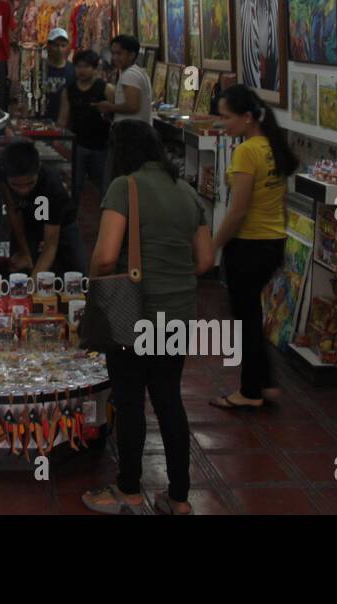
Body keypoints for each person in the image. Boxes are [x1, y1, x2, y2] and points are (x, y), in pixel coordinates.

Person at [82, 120, 214, 516]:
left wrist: (92, 289)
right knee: (169, 400)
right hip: (179, 313)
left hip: (133, 312)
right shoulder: (187, 192)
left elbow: (106, 256)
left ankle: (130, 492)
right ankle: (178, 499)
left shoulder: (126, 187)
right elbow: (205, 261)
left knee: (129, 401)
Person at [210, 83, 298, 410]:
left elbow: (238, 209)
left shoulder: (246, 152)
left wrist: (214, 245)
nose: (223, 124)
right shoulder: (272, 146)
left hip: (248, 245)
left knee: (245, 319)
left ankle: (249, 392)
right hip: (273, 242)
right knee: (252, 314)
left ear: (247, 117)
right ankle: (267, 383)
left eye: (226, 117)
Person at [0, 139, 87, 277]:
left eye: (30, 183)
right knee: (18, 269)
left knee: (79, 272)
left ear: (38, 169)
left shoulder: (52, 187)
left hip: (62, 222)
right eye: (16, 185)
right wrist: (24, 252)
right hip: (26, 219)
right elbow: (12, 208)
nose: (23, 190)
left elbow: (50, 246)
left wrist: (35, 281)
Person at [57, 49, 112, 207]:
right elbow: (63, 119)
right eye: (78, 66)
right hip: (78, 145)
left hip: (102, 146)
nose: (81, 70)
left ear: (95, 68)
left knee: (105, 188)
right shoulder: (69, 91)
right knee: (75, 186)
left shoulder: (106, 89)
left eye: (86, 66)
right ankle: (71, 220)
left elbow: (114, 117)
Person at [102, 34, 153, 124]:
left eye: (119, 54)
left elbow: (132, 106)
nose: (114, 58)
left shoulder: (129, 75)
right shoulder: (138, 72)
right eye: (113, 53)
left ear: (131, 55)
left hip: (131, 132)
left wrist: (109, 107)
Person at [41, 28, 74, 121]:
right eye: (56, 45)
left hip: (64, 122)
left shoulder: (72, 70)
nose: (60, 49)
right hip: (40, 120)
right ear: (48, 46)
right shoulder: (38, 69)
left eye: (63, 45)